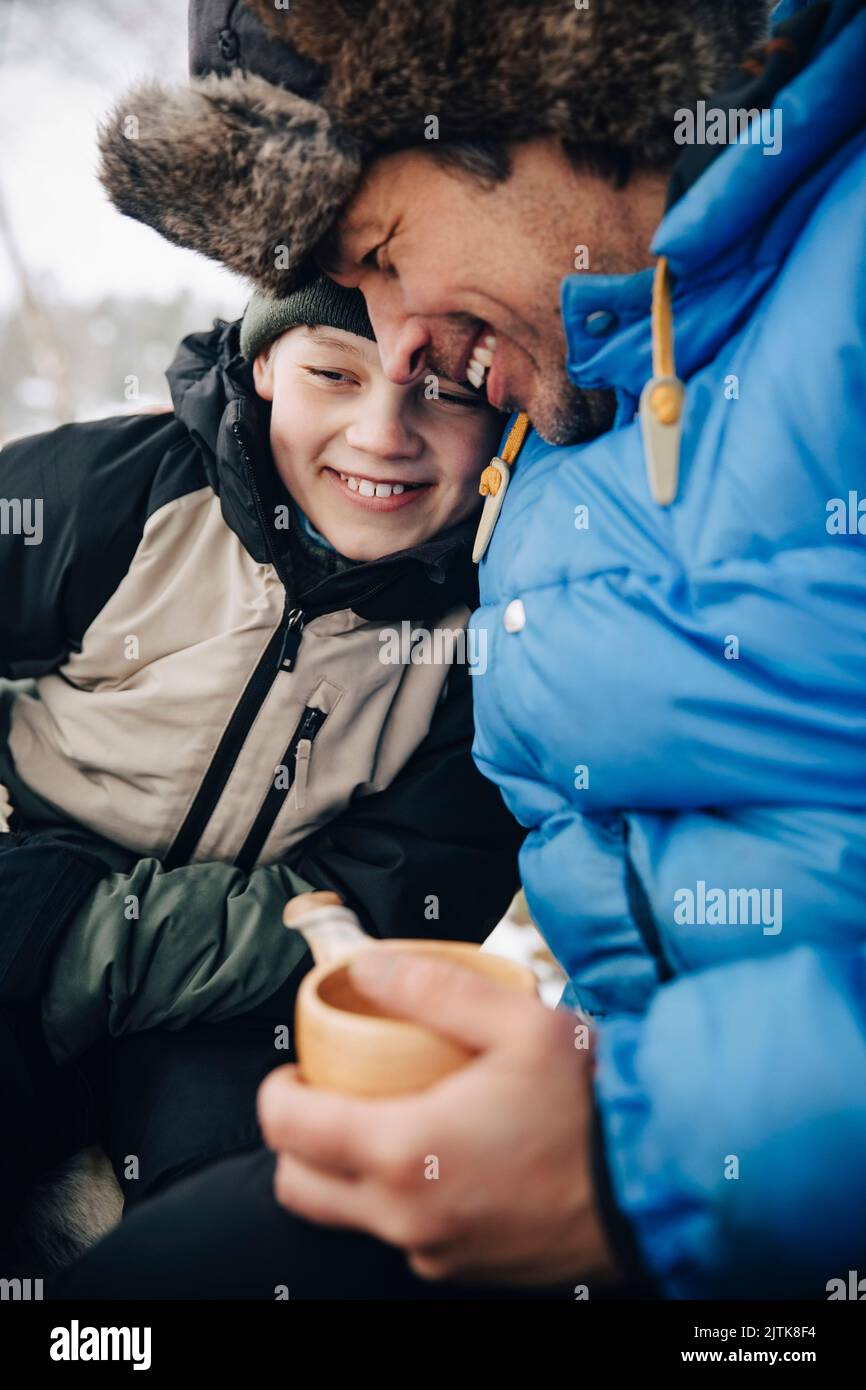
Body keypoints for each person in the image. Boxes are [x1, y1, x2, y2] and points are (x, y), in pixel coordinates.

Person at [53, 0, 866, 1299]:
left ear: (543, 96)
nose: (397, 344)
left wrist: (639, 1161)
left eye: (380, 249)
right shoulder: (550, 416)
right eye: (338, 323)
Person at [0, 274, 525, 1264]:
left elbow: (391, 897)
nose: (380, 432)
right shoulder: (118, 490)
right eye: (333, 372)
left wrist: (95, 938)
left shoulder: (481, 639)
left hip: (253, 983)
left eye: (445, 391)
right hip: (25, 877)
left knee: (250, 1213)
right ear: (261, 368)